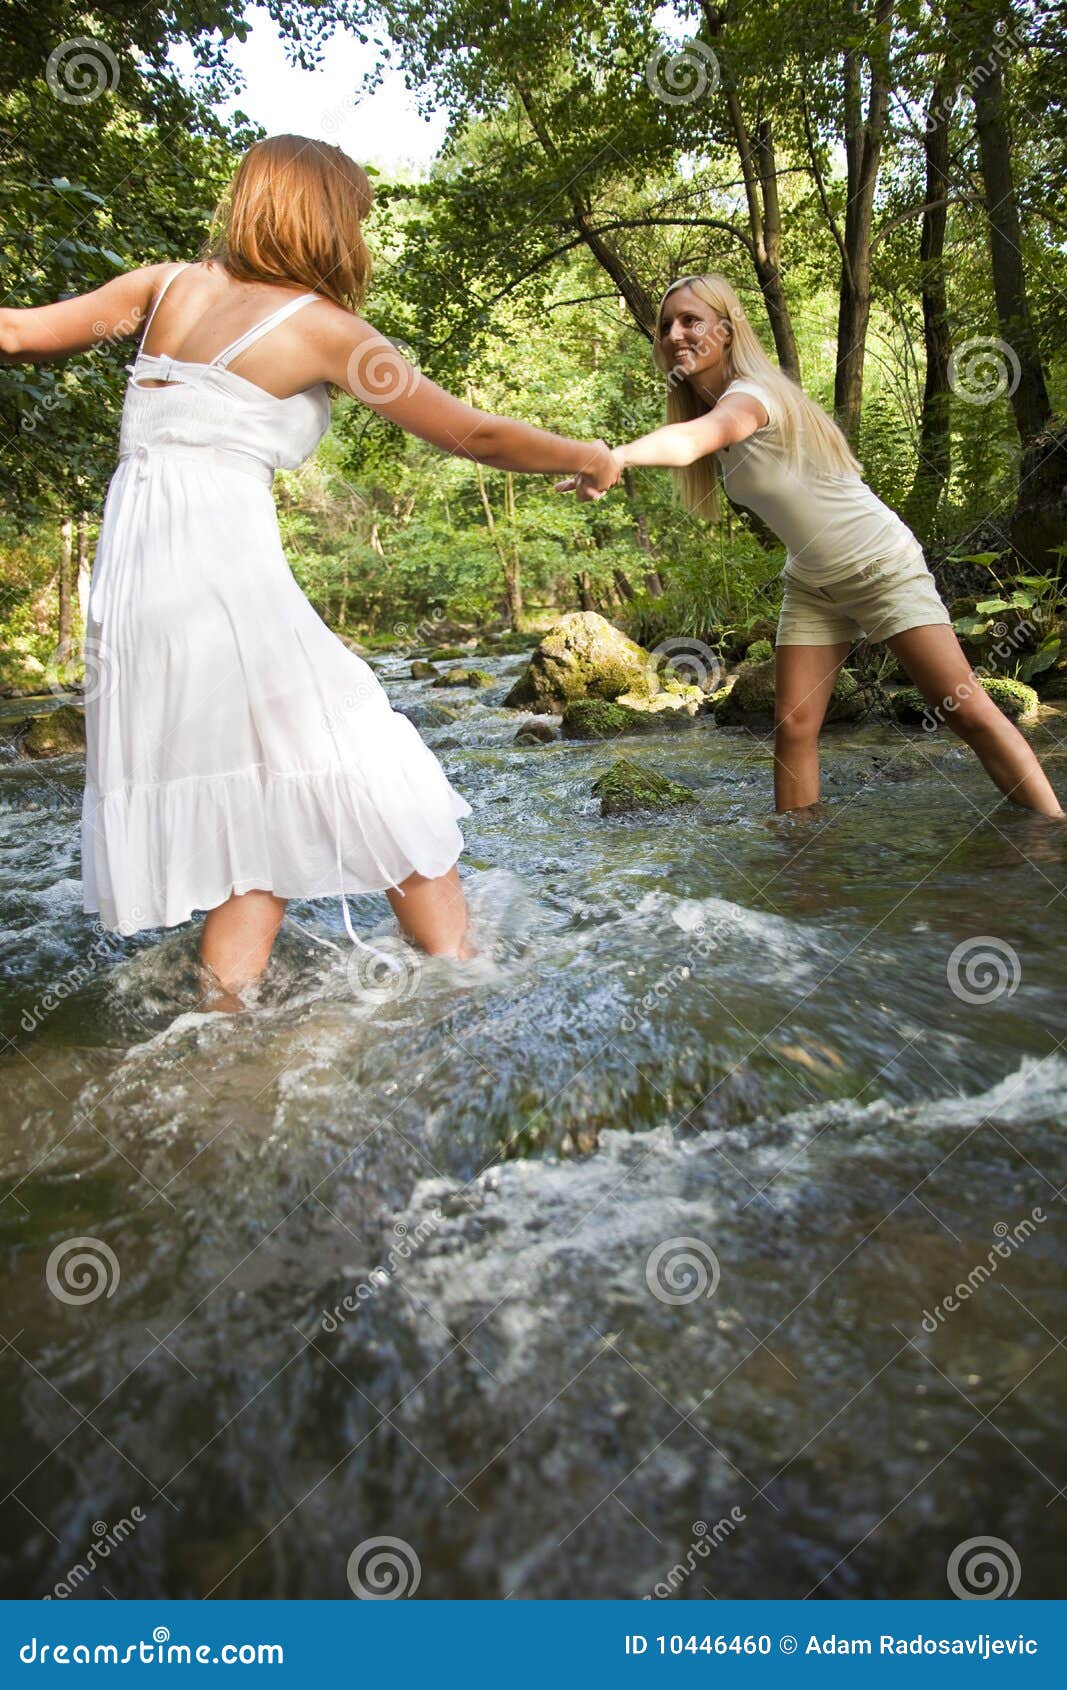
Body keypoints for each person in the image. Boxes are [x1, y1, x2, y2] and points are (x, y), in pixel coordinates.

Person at [0, 135, 621, 1011]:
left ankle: (223, 1021)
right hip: (220, 577)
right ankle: (469, 982)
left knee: (262, 798)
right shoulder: (322, 329)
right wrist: (585, 452)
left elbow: (19, 333)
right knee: (368, 760)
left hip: (139, 587)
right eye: (356, 217)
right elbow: (469, 433)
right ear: (328, 219)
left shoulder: (163, 287)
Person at [557, 273, 1062, 820]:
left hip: (878, 563)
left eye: (691, 320)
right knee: (794, 725)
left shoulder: (751, 395)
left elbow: (694, 440)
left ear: (726, 331)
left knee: (965, 711)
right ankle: (801, 868)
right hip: (813, 582)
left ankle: (1051, 834)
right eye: (666, 326)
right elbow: (698, 436)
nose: (675, 333)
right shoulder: (715, 407)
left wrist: (618, 456)